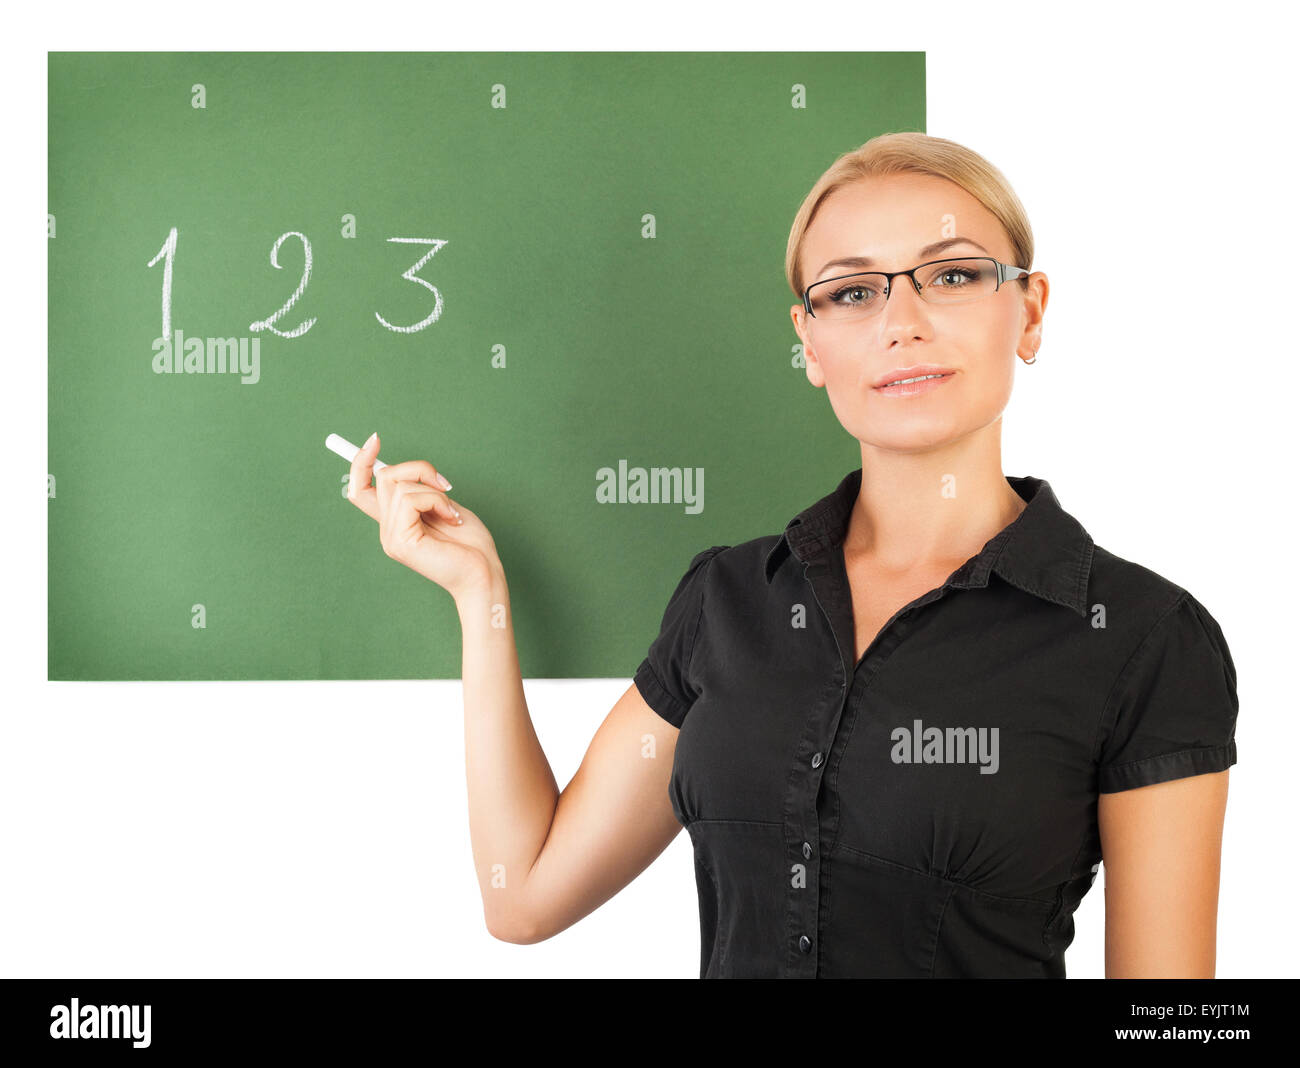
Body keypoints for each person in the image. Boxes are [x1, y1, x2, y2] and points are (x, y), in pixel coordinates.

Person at [341, 131, 1238, 978]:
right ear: (808, 342)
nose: (904, 321)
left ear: (1029, 313)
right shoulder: (729, 600)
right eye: (853, 292)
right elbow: (525, 898)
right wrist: (478, 592)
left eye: (954, 275)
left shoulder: (1143, 640)